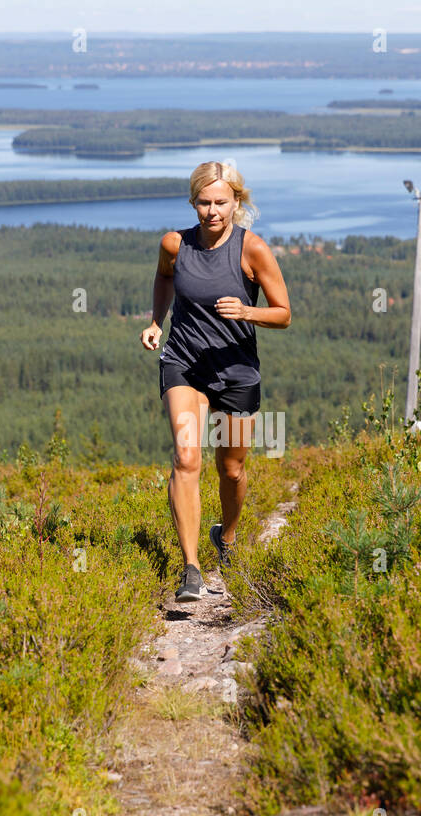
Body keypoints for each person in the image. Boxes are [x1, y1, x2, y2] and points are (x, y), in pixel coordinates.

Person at [141, 161, 292, 602]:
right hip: (185, 365)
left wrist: (247, 311)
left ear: (236, 203)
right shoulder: (175, 243)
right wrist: (156, 321)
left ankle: (224, 537)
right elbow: (164, 277)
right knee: (187, 459)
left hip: (236, 371)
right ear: (193, 203)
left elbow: (283, 313)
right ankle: (191, 569)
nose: (212, 212)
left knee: (232, 468)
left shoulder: (253, 250)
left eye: (221, 202)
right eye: (204, 203)